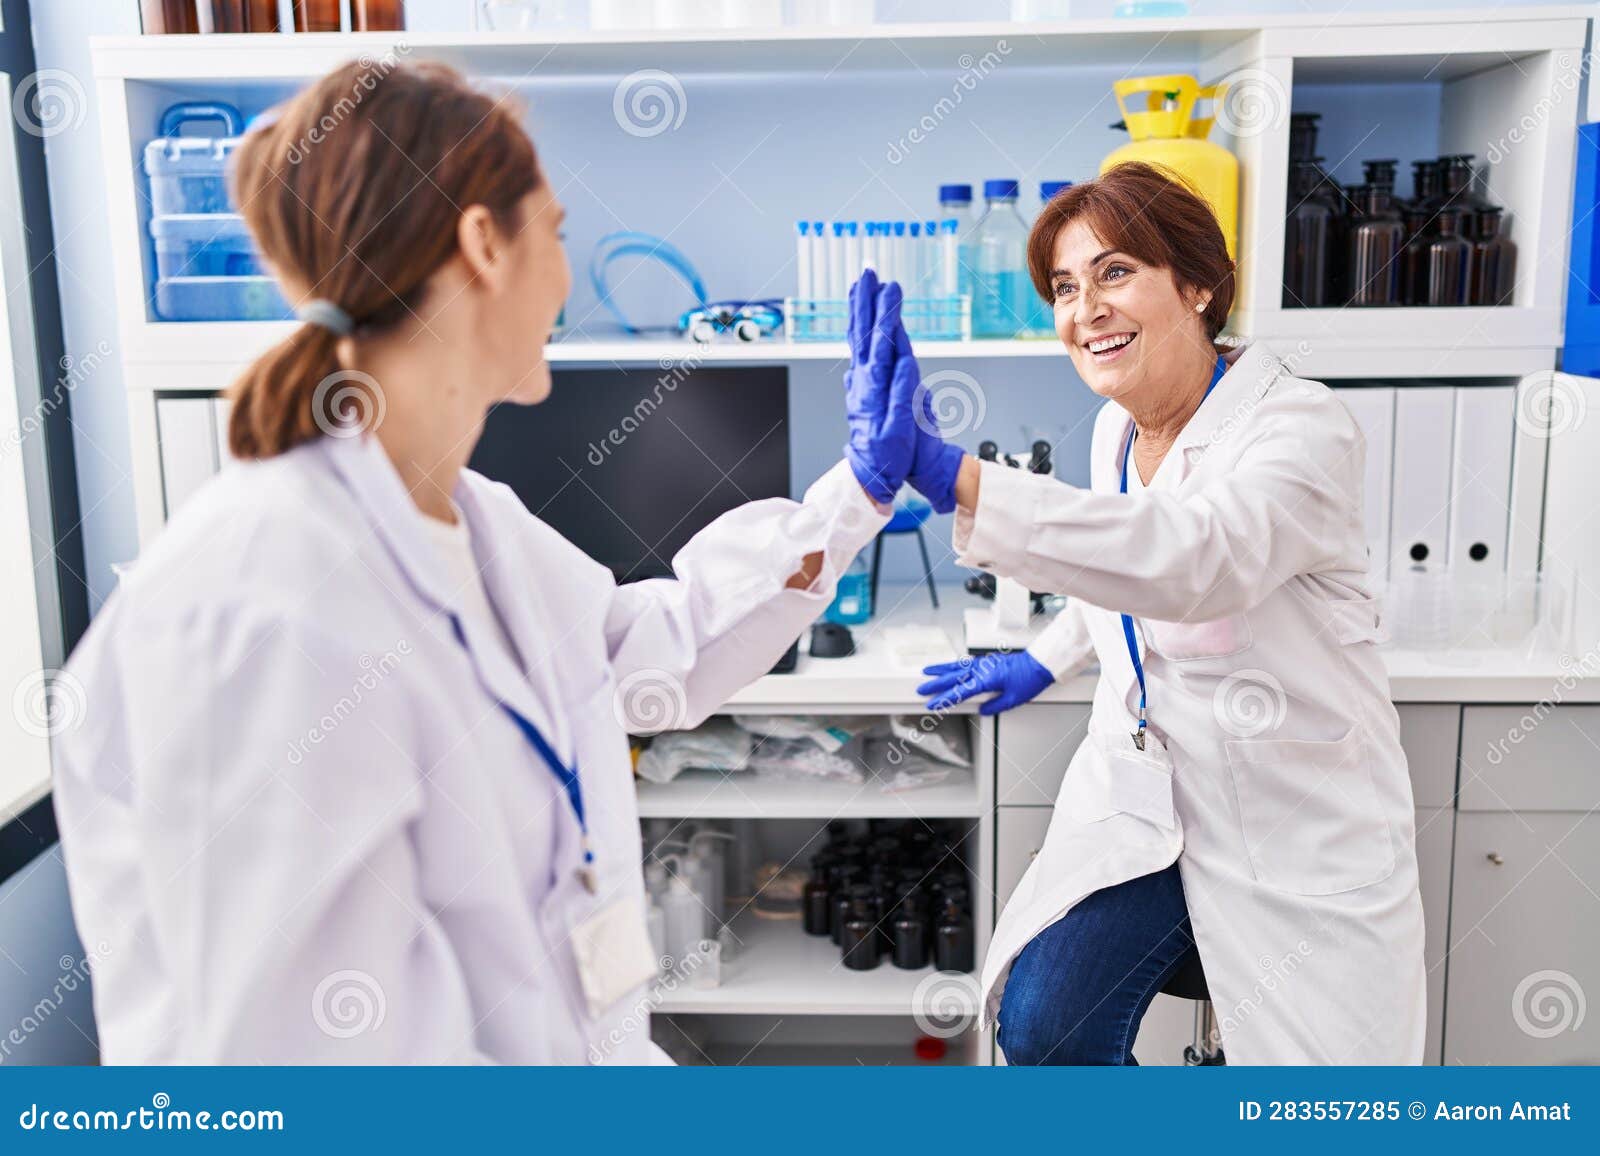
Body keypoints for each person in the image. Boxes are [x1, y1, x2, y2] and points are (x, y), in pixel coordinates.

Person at [51, 61, 927, 1064]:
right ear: (481, 243)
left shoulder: (477, 520)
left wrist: (854, 495)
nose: (564, 267)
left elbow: (646, 650)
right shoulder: (265, 608)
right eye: (552, 230)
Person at [905, 162, 1426, 1064]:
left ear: (1197, 284)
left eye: (1114, 273)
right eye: (1065, 288)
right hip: (1148, 807)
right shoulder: (1116, 429)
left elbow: (1196, 559)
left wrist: (958, 478)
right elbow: (1127, 568)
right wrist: (1046, 656)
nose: (1084, 310)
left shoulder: (1299, 429)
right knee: (1044, 1027)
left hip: (1288, 827)